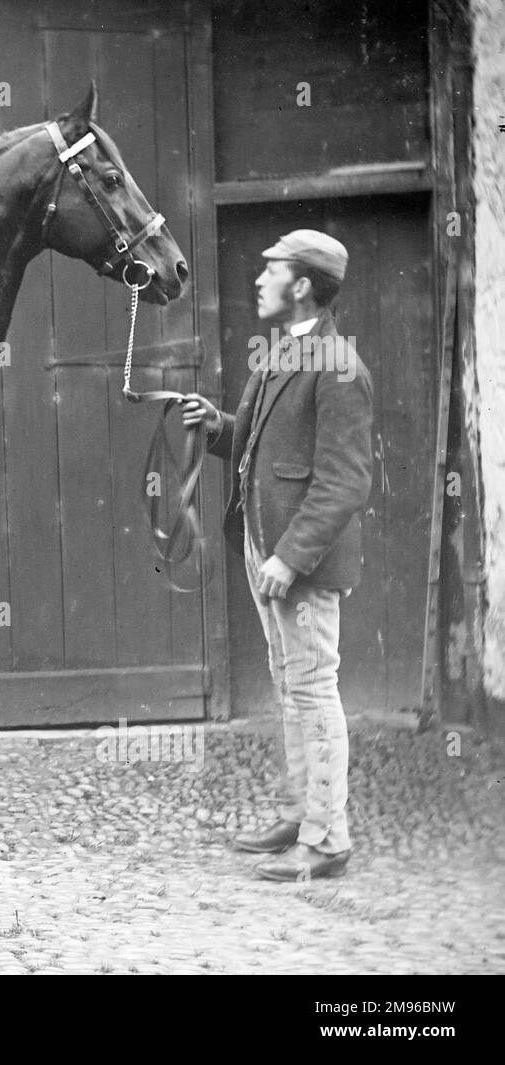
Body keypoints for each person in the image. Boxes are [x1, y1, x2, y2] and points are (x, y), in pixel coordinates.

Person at [182, 229, 373, 881]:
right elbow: (269, 449)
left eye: (272, 270)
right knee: (291, 689)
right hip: (266, 550)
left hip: (300, 563)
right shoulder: (284, 351)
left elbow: (345, 480)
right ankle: (300, 815)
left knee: (313, 690)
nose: (259, 280)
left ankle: (328, 838)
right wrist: (217, 430)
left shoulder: (338, 365)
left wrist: (289, 558)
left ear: (302, 286)